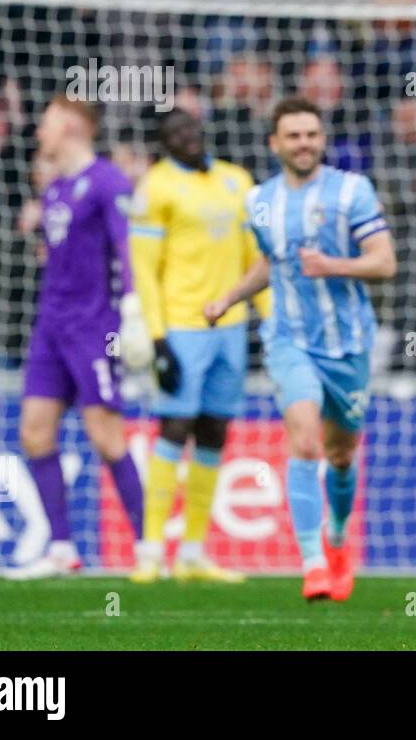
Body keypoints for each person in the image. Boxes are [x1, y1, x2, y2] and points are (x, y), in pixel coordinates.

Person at [204, 98, 396, 602]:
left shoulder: (351, 190)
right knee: (305, 442)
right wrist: (227, 298)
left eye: (311, 134)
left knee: (340, 453)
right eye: (293, 135)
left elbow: (383, 263)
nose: (304, 143)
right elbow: (272, 264)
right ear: (275, 144)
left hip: (348, 343)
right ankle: (312, 563)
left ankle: (336, 541)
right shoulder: (260, 201)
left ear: (321, 139)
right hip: (287, 339)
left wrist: (333, 265)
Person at [9, 96, 154, 578]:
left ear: (71, 126)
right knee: (34, 431)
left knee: (106, 436)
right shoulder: (55, 189)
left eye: (46, 123)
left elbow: (124, 244)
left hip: (94, 326)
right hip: (52, 325)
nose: (39, 134)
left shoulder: (108, 180)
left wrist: (132, 311)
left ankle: (147, 545)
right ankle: (62, 548)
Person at [129, 110, 266, 584]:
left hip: (231, 327)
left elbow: (257, 261)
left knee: (213, 431)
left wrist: (268, 321)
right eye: (174, 134)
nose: (187, 136)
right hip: (182, 326)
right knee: (175, 426)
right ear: (162, 144)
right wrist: (157, 337)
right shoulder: (155, 188)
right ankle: (149, 551)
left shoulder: (237, 181)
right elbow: (143, 270)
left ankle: (192, 553)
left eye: (190, 127)